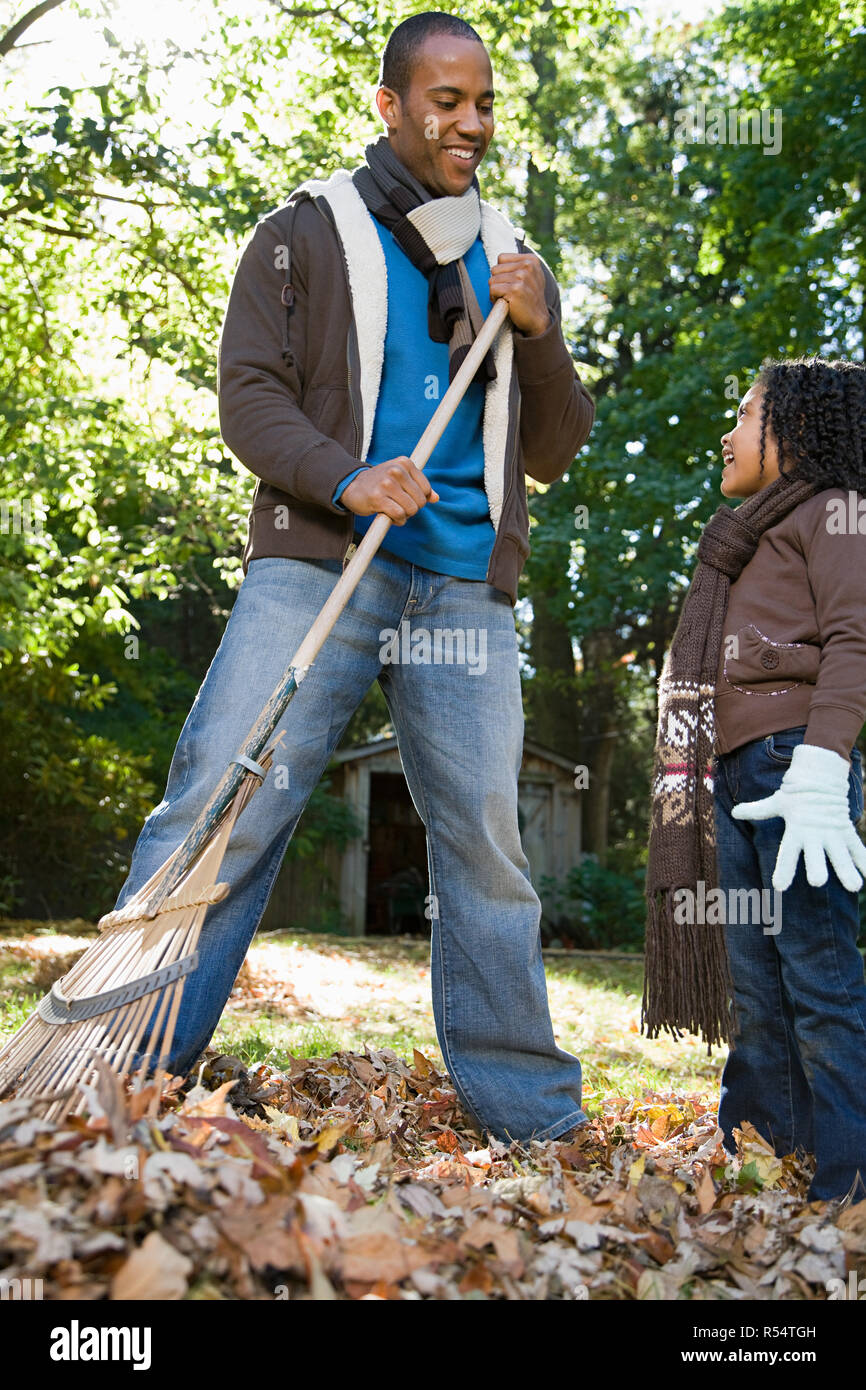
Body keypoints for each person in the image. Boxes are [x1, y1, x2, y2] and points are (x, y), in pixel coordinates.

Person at [112, 11, 595, 1145]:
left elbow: (554, 443)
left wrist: (534, 332)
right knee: (222, 800)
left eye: (483, 103)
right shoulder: (305, 232)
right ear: (389, 106)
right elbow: (251, 397)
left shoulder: (513, 253)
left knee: (485, 841)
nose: (469, 122)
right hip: (319, 563)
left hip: (465, 587)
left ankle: (528, 1114)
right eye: (444, 101)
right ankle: (121, 1061)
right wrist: (347, 477)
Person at [644, 356, 866, 1202]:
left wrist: (823, 762)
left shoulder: (834, 512)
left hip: (793, 769)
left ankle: (849, 1176)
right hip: (729, 774)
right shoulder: (745, 537)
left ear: (798, 429)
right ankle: (766, 1153)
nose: (726, 432)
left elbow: (855, 639)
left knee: (817, 972)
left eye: (744, 414)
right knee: (753, 979)